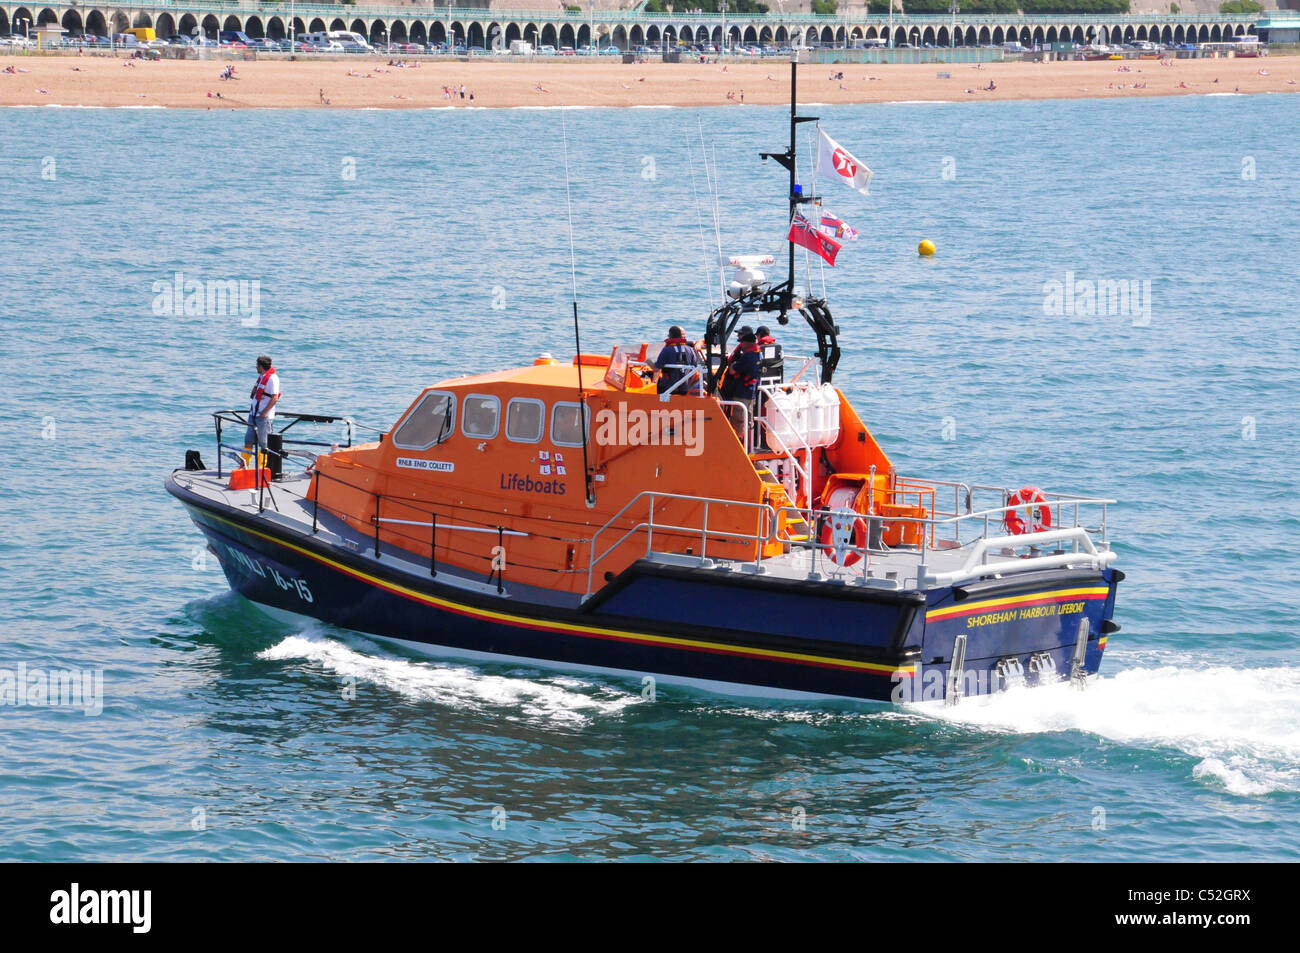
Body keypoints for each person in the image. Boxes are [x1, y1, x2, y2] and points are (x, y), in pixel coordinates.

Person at [721, 327, 761, 437]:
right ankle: (748, 443)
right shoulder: (758, 354)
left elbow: (733, 370)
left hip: (742, 393)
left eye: (742, 342)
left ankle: (741, 444)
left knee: (739, 420)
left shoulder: (748, 357)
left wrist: (733, 364)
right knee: (748, 419)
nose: (741, 344)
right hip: (751, 392)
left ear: (747, 343)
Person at [244, 355, 281, 465]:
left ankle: (262, 468)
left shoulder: (272, 379)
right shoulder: (262, 377)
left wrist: (265, 412)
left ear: (261, 366)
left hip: (263, 417)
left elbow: (275, 398)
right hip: (254, 414)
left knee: (264, 444)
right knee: (248, 441)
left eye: (257, 365)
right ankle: (244, 465)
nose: (256, 367)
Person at [653, 325, 702, 396]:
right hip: (684, 390)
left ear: (670, 336)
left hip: (667, 389)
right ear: (681, 336)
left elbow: (656, 368)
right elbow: (695, 370)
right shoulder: (690, 350)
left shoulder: (667, 350)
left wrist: (648, 362)